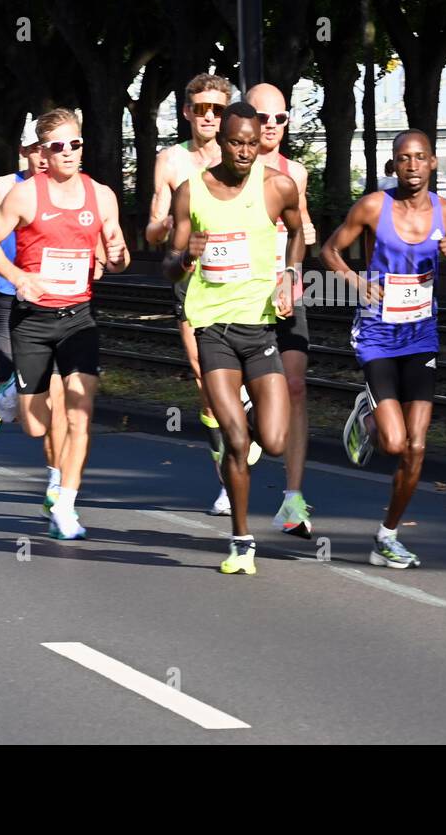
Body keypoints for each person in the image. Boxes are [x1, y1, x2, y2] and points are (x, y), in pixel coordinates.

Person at [320, 130, 446, 569]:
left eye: (419, 157)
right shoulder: (374, 207)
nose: (411, 165)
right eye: (403, 158)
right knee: (393, 443)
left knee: (416, 447)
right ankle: (369, 413)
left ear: (433, 163)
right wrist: (356, 282)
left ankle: (387, 537)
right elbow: (330, 250)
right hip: (378, 334)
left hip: (420, 337)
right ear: (393, 166)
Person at [0, 108, 130, 539]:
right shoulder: (24, 196)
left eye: (74, 144)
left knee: (80, 414)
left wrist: (118, 257)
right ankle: (10, 395)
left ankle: (66, 503)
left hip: (79, 317)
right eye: (57, 146)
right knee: (37, 425)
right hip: (33, 320)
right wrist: (18, 276)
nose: (66, 152)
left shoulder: (100, 195)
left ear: (83, 145)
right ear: (43, 151)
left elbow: (118, 253)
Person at [163, 101, 303, 574]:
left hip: (260, 328)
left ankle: (246, 410)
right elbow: (167, 265)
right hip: (213, 330)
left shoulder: (276, 188)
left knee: (276, 442)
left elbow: (300, 233)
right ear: (219, 141)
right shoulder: (191, 194)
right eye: (236, 142)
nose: (244, 152)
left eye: (251, 143)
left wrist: (289, 273)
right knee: (238, 444)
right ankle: (242, 542)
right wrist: (186, 257)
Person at [146, 73, 259, 516]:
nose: (208, 117)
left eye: (217, 109)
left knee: (240, 377)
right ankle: (226, 474)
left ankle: (248, 412)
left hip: (243, 281)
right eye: (200, 109)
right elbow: (154, 227)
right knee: (204, 378)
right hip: (193, 282)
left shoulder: (246, 151)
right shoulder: (172, 161)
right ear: (188, 113)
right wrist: (169, 228)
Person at [0, 126, 84, 516]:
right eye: (35, 150)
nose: (42, 157)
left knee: (57, 395)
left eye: (46, 149)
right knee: (17, 390)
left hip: (54, 306)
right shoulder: (1, 189)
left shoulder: (71, 191)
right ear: (25, 151)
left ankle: (55, 480)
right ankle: (4, 396)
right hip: (7, 298)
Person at [244, 83, 316, 538]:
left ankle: (293, 500)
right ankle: (245, 428)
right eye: (263, 117)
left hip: (283, 292)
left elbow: (301, 228)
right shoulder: (227, 168)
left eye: (280, 118)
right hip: (239, 297)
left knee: (295, 386)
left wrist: (294, 267)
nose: (271, 126)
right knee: (241, 396)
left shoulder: (296, 173)